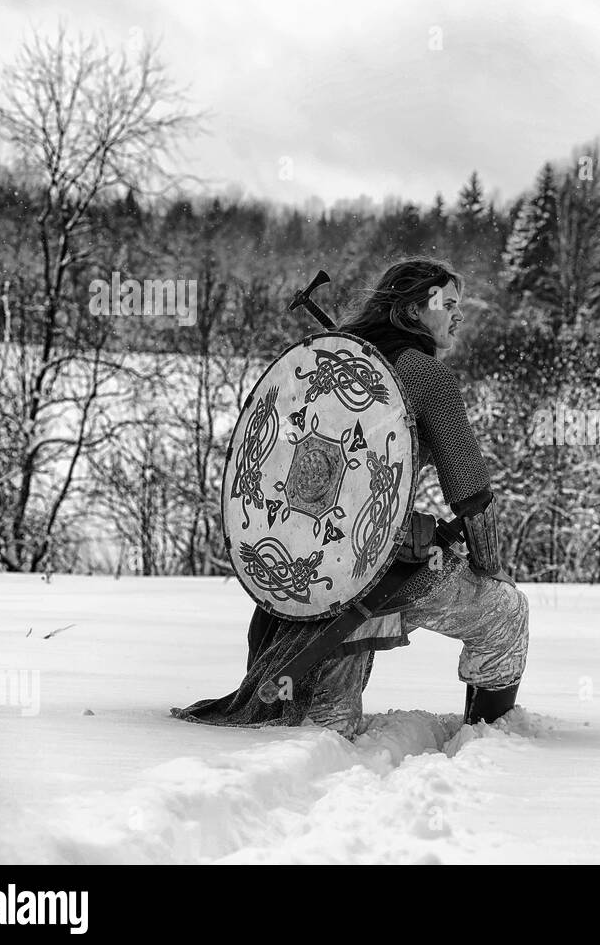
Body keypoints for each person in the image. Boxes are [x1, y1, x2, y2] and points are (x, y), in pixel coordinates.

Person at [172, 257, 528, 739]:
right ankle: (493, 741)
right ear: (413, 309)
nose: (458, 315)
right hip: (375, 567)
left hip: (302, 574)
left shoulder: (330, 361)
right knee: (504, 611)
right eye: (448, 304)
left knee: (325, 728)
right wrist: (489, 564)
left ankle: (306, 727)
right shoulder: (428, 377)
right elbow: (472, 494)